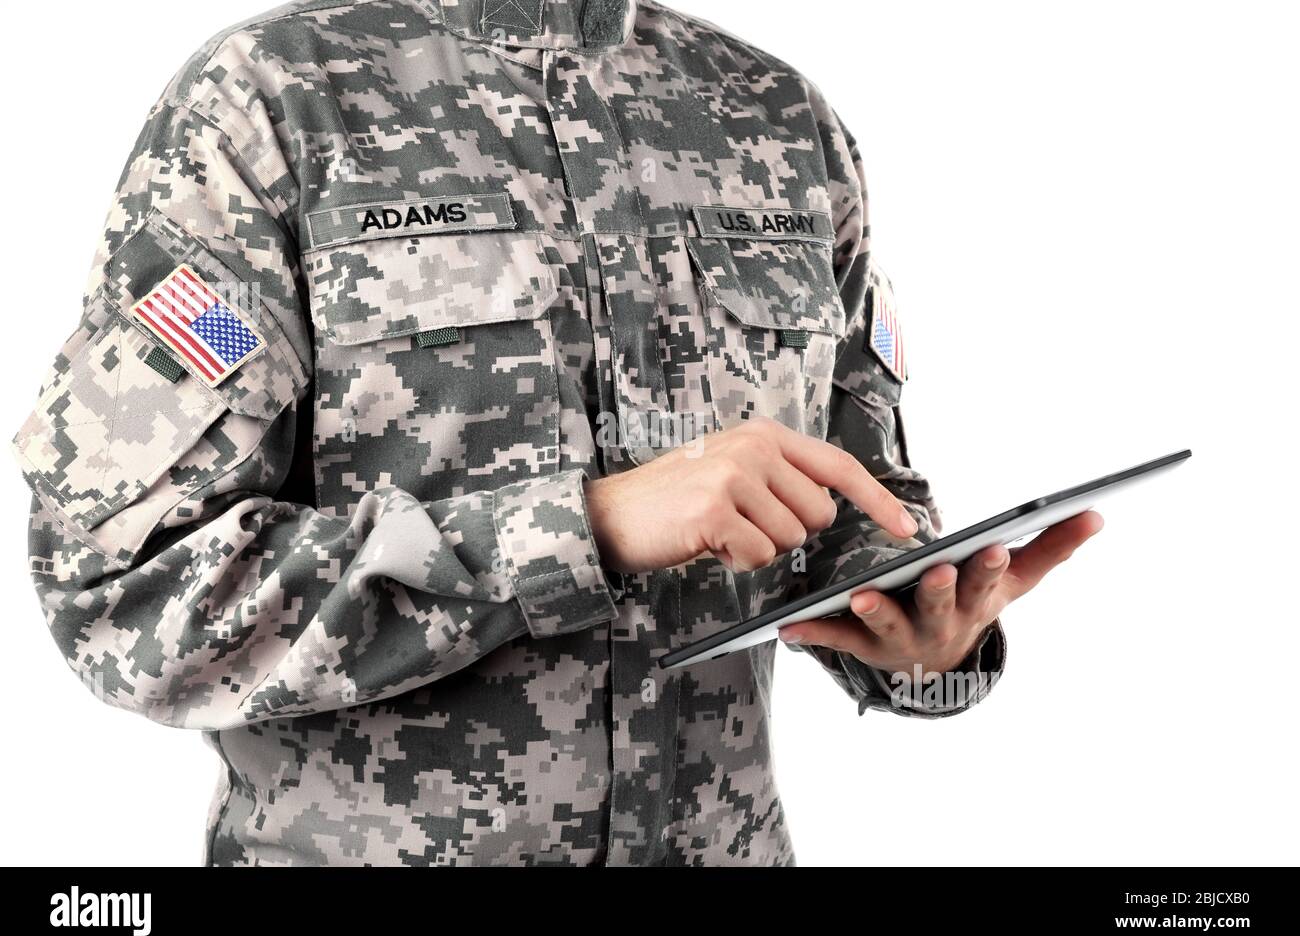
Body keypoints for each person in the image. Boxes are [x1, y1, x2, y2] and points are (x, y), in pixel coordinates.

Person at [13, 0, 1100, 866]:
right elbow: (127, 591)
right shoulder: (264, 105)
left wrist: (920, 626)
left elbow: (852, 491)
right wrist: (580, 526)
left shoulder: (777, 117)